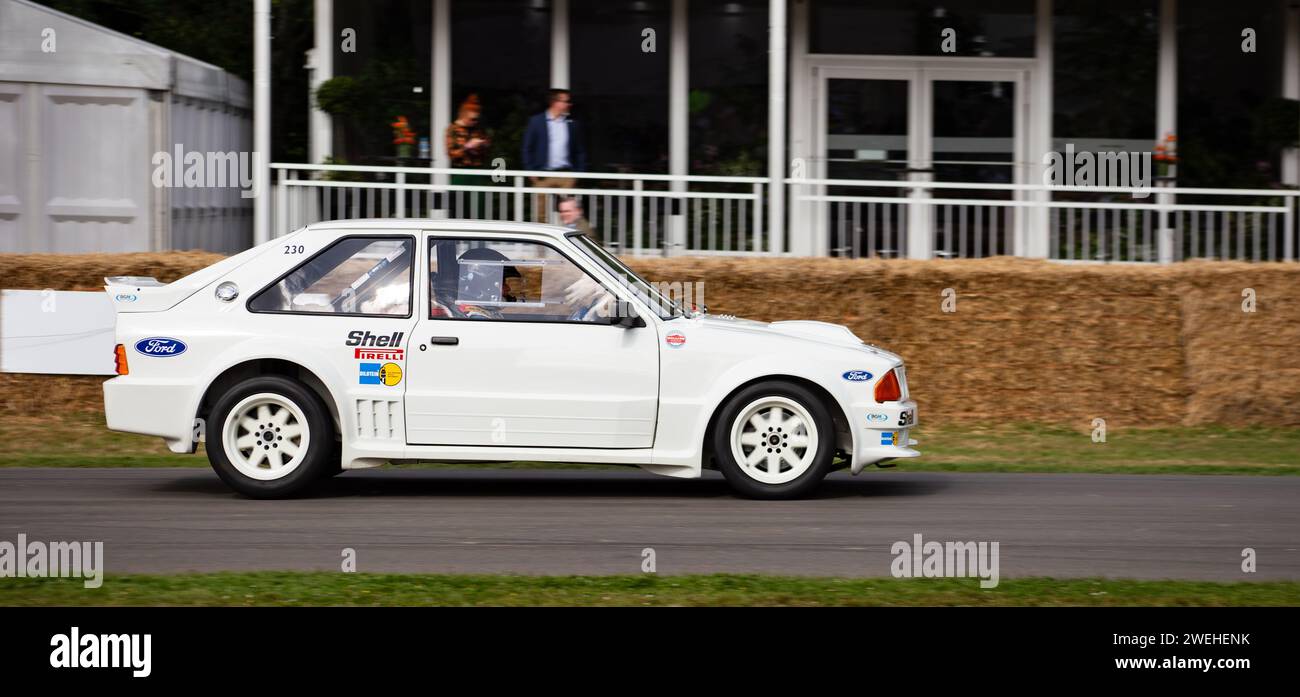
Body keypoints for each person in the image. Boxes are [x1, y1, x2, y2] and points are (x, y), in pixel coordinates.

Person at [522, 88, 586, 222]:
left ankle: (568, 242)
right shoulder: (536, 121)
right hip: (542, 175)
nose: (569, 104)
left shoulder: (572, 124)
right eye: (566, 101)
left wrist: (578, 174)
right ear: (555, 102)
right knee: (540, 215)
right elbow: (527, 148)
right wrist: (530, 170)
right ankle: (541, 243)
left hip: (566, 175)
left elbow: (579, 150)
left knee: (570, 212)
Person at [445, 94, 491, 218]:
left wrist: (482, 146)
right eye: (471, 118)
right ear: (464, 114)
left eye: (476, 118)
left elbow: (487, 150)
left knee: (479, 211)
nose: (473, 121)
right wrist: (467, 147)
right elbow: (451, 154)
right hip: (459, 173)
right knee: (459, 211)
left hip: (478, 174)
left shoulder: (479, 129)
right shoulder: (453, 129)